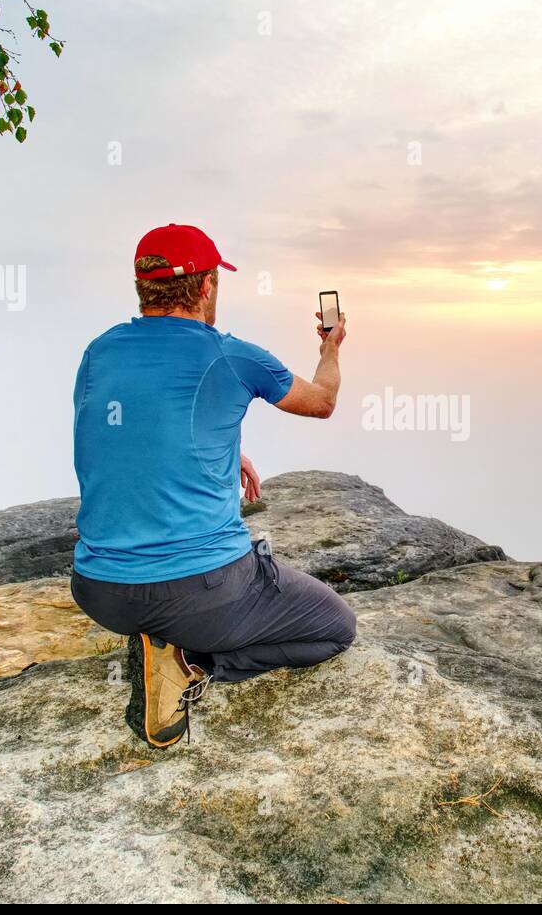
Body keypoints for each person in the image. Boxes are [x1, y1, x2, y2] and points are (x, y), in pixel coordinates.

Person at [70, 222, 355, 748]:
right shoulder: (230, 355)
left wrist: (223, 453)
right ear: (206, 287)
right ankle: (192, 660)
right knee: (335, 627)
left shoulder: (100, 352)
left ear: (143, 286)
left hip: (100, 591)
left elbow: (126, 431)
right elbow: (321, 402)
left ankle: (161, 643)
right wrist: (331, 348)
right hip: (200, 595)